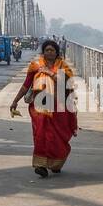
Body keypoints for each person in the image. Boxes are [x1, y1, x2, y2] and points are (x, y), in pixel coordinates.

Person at [9, 39, 78, 178]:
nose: (49, 52)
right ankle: (41, 165)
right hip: (39, 106)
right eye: (47, 50)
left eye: (52, 50)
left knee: (58, 136)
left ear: (57, 52)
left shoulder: (63, 67)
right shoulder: (35, 66)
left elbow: (68, 83)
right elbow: (26, 85)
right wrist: (15, 100)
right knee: (40, 134)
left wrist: (49, 72)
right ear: (43, 52)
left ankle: (55, 163)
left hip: (59, 108)